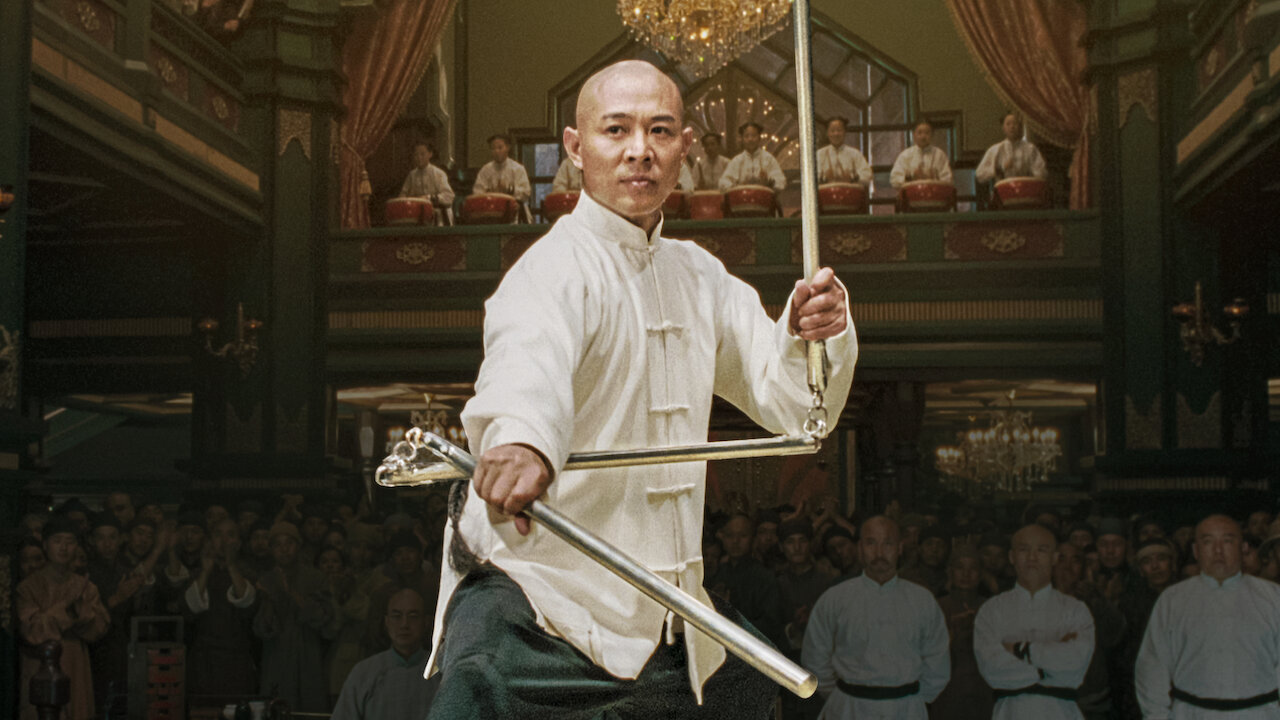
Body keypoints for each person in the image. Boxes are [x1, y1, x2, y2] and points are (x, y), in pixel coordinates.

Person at [426, 59, 856, 719]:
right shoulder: (549, 270)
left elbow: (792, 403)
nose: (639, 150)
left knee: (750, 689)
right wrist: (521, 442)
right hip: (541, 598)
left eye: (659, 131)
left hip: (666, 612)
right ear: (575, 148)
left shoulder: (701, 275)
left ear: (685, 148)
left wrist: (811, 336)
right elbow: (525, 363)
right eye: (616, 130)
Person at [801, 516, 950, 720]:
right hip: (848, 708)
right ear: (860, 548)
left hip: (906, 709)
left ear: (899, 548)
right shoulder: (835, 599)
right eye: (871, 543)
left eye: (888, 543)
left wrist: (912, 698)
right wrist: (842, 695)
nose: (879, 553)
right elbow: (815, 658)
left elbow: (938, 661)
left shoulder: (922, 600)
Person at [1135, 514, 1280, 719]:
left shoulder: (1272, 598)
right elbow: (1152, 667)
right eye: (1208, 542)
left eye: (1227, 541)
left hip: (1260, 713)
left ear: (1243, 547)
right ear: (1196, 550)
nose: (1218, 550)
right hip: (1191, 713)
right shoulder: (1173, 600)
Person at [974, 524, 1095, 720]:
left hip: (1061, 712)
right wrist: (1051, 665)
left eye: (1041, 550)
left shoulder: (1075, 610)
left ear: (1055, 558)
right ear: (1012, 557)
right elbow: (992, 670)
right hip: (1011, 712)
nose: (1032, 557)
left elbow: (1076, 666)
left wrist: (1020, 650)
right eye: (1024, 549)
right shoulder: (992, 610)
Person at [16, 516, 111, 720]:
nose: (64, 547)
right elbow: (32, 631)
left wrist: (79, 615)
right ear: (45, 545)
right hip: (39, 666)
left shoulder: (86, 587)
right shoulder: (28, 587)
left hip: (75, 663)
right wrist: (68, 611)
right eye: (57, 541)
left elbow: (99, 628)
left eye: (70, 542)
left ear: (77, 546)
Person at [253, 521, 333, 713]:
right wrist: (270, 601)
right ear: (271, 549)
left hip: (308, 654)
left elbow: (324, 618)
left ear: (298, 545)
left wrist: (291, 593)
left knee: (309, 709)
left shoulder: (315, 578)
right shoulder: (265, 580)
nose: (284, 549)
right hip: (277, 656)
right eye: (277, 544)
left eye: (289, 543)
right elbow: (261, 628)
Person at [332, 587, 440, 720]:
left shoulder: (441, 672)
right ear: (387, 622)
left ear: (426, 622)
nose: (404, 624)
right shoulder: (363, 673)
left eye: (413, 616)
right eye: (397, 616)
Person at [185, 517, 258, 699]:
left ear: (239, 543)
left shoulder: (249, 574)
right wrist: (206, 570)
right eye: (218, 535)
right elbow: (190, 610)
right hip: (204, 659)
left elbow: (248, 607)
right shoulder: (196, 574)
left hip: (237, 659)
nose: (224, 541)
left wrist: (231, 565)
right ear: (210, 541)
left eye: (230, 535)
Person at [1053, 541, 1125, 720]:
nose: (1067, 566)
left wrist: (1098, 600)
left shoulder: (1092, 600)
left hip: (1093, 703)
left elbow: (1115, 636)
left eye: (1075, 560)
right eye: (1061, 559)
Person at [930, 546, 993, 720]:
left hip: (982, 693)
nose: (966, 574)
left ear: (980, 574)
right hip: (946, 694)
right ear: (950, 571)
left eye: (973, 568)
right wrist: (952, 633)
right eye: (960, 567)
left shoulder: (991, 608)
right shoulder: (936, 607)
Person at [706, 513, 783, 646]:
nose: (735, 541)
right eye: (730, 535)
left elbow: (772, 625)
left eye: (742, 535)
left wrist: (733, 618)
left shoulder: (764, 577)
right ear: (723, 539)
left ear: (753, 539)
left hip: (754, 647)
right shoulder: (716, 574)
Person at [975, 112, 1047, 184]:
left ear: (1020, 127)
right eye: (1008, 124)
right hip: (1003, 188)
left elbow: (1042, 173)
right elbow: (979, 174)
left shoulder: (1030, 149)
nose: (1012, 127)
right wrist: (1001, 168)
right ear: (1003, 128)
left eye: (1015, 123)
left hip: (1025, 187)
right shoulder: (995, 149)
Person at [719, 122, 787, 191]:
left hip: (763, 196)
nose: (750, 139)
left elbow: (780, 181)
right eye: (746, 136)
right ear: (742, 139)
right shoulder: (737, 161)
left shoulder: (768, 158)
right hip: (742, 196)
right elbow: (723, 182)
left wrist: (768, 182)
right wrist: (737, 186)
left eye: (754, 136)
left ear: (759, 138)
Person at [889, 120, 952, 189]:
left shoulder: (939, 155)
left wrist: (934, 179)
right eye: (919, 133)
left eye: (927, 133)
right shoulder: (905, 155)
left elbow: (948, 180)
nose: (923, 136)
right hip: (912, 194)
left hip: (935, 194)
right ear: (914, 135)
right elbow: (895, 180)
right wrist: (911, 177)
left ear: (932, 135)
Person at [472, 133, 531, 204]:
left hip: (514, 206)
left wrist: (508, 189)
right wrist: (490, 192)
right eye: (493, 148)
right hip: (491, 206)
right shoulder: (485, 170)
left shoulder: (518, 169)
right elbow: (477, 192)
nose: (496, 151)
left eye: (500, 148)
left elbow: (526, 193)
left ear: (508, 148)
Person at [399, 141, 456, 211]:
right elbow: (402, 196)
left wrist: (429, 198)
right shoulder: (412, 175)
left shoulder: (438, 173)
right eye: (416, 155)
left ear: (430, 154)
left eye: (422, 154)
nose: (419, 158)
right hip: (416, 212)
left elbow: (449, 197)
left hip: (436, 212)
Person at [817, 117, 872, 186]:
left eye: (839, 130)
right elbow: (810, 177)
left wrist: (852, 178)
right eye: (832, 131)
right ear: (827, 133)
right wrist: (824, 179)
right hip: (825, 192)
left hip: (851, 191)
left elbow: (867, 175)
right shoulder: (819, 154)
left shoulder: (855, 154)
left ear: (845, 132)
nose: (836, 134)